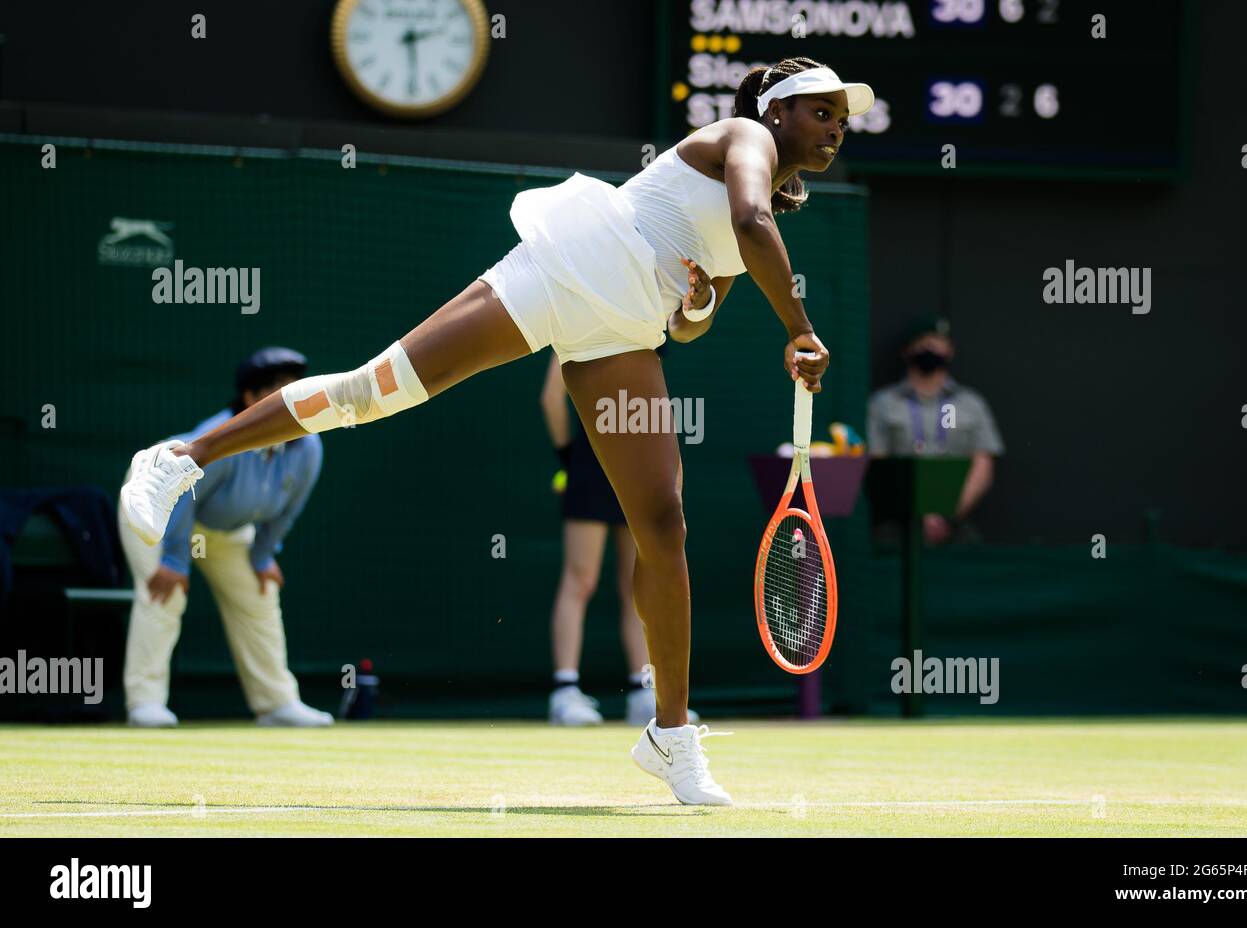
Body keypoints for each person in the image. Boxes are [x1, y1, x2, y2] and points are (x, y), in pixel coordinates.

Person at [120, 57, 873, 805]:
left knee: (662, 524)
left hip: (622, 331)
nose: (836, 128)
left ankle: (670, 736)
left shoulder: (761, 204)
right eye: (822, 111)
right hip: (572, 265)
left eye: (843, 119)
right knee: (372, 390)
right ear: (776, 111)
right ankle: (182, 457)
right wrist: (800, 329)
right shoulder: (745, 139)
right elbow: (748, 221)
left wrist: (700, 301)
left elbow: (691, 324)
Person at [118, 347, 333, 727]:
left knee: (259, 592)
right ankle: (144, 704)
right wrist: (174, 559)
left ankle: (277, 704)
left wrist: (263, 555)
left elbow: (287, 510)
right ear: (250, 398)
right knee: (165, 593)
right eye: (279, 390)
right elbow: (180, 497)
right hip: (158, 506)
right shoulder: (222, 437)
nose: (291, 400)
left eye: (295, 389)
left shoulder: (308, 447)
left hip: (226, 529)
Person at [540, 348, 700, 727]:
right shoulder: (575, 325)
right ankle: (565, 691)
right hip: (592, 466)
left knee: (638, 583)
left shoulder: (651, 327)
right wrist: (571, 458)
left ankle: (644, 693)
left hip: (639, 464)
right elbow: (551, 397)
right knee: (581, 579)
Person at [866, 317, 1004, 543]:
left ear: (950, 350)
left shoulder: (971, 404)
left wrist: (947, 515)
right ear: (907, 350)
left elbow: (983, 466)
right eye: (923, 342)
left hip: (956, 525)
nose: (930, 348)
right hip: (898, 523)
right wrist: (918, 513)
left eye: (937, 342)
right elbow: (877, 462)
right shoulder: (883, 403)